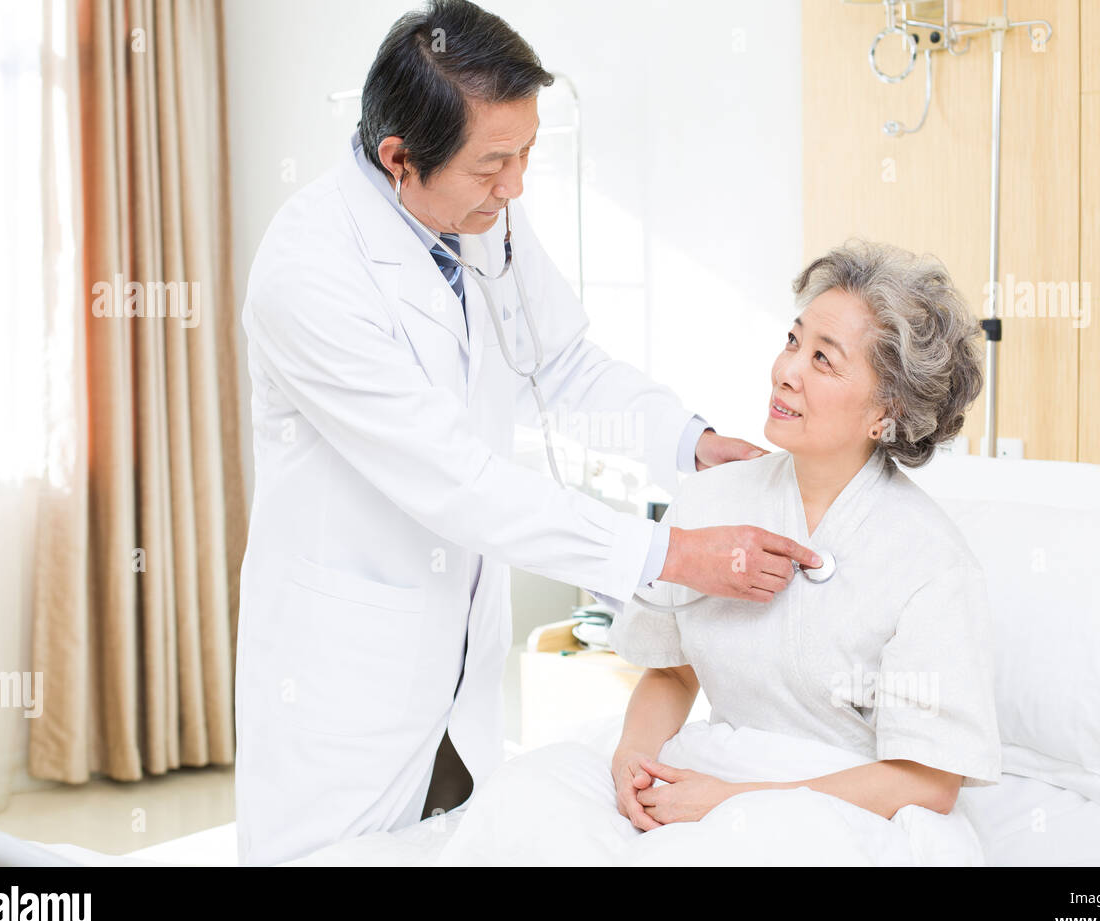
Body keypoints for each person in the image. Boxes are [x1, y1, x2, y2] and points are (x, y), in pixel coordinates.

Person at [233, 0, 818, 866]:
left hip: (459, 661)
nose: (514, 188)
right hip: (344, 681)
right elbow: (458, 481)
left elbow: (563, 366)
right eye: (493, 165)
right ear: (398, 159)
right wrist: (673, 554)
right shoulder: (309, 274)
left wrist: (689, 443)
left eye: (526, 155)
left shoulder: (476, 214)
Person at [434, 240, 1003, 866]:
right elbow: (673, 671)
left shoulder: (930, 560)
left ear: (885, 410)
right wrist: (633, 761)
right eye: (793, 341)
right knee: (523, 799)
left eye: (823, 359)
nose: (787, 371)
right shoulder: (714, 498)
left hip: (847, 808)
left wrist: (736, 801)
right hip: (709, 771)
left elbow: (928, 782)